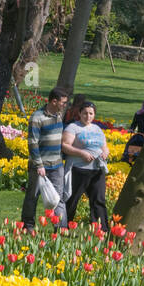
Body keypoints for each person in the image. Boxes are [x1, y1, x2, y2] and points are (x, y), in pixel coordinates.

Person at [21, 88, 69, 231]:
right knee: (32, 196)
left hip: (57, 165)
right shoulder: (37, 117)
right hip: (39, 166)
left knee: (59, 198)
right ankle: (27, 225)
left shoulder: (59, 115)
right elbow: (32, 142)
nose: (65, 105)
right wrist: (39, 165)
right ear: (54, 102)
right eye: (63, 102)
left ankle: (61, 228)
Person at [62, 101, 110, 231]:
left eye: (91, 113)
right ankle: (63, 227)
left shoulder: (97, 128)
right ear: (79, 113)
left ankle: (102, 230)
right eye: (85, 113)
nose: (88, 116)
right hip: (79, 169)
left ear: (94, 115)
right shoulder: (73, 127)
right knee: (72, 199)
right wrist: (81, 153)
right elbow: (65, 146)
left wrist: (105, 152)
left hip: (96, 170)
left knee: (99, 200)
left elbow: (104, 146)